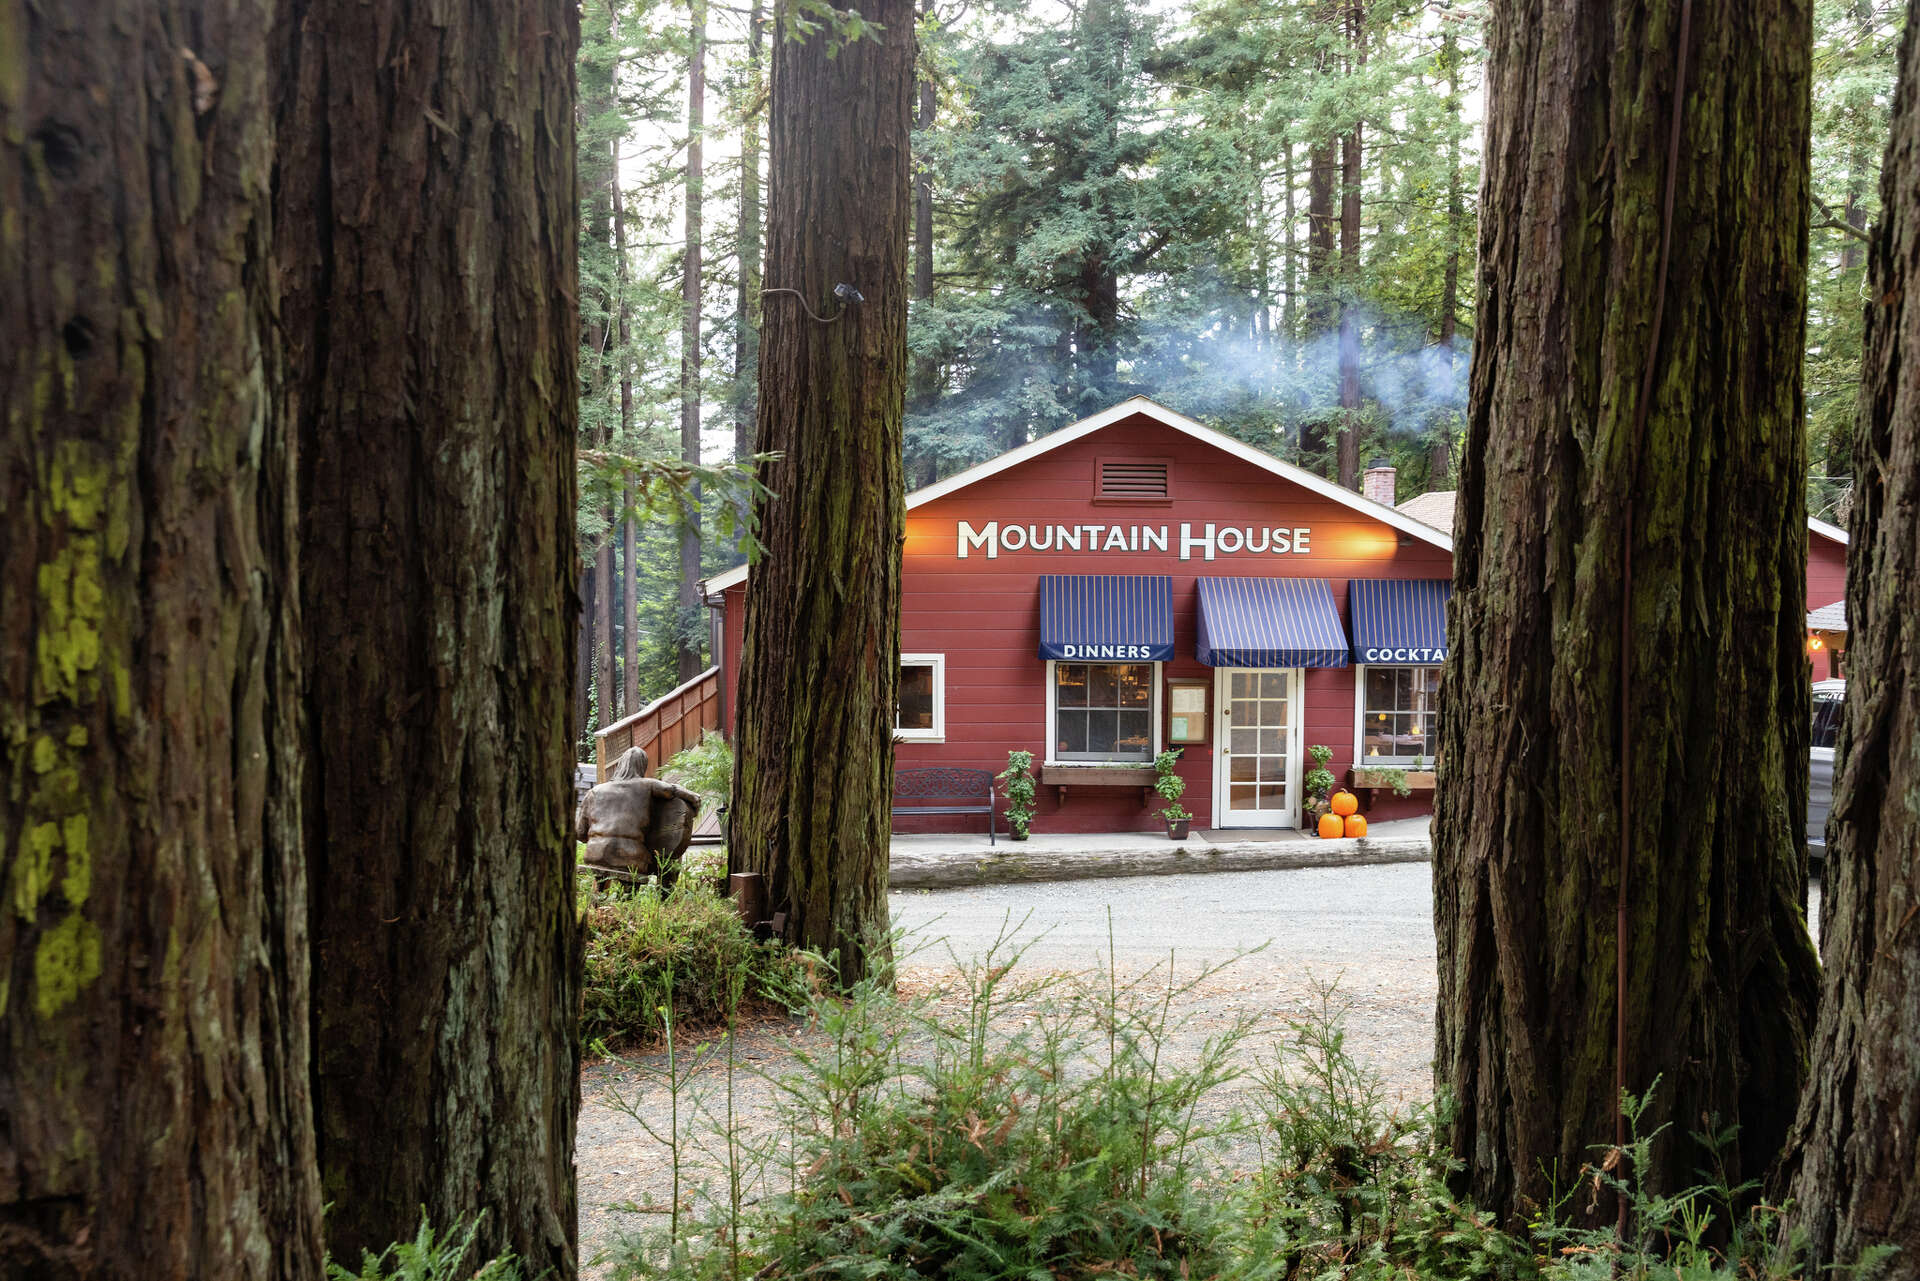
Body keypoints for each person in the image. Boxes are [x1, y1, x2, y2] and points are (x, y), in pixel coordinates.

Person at [574, 746, 701, 886]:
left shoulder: (594, 791)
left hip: (594, 856)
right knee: (669, 861)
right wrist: (693, 798)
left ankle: (600, 894)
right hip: (631, 858)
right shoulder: (648, 785)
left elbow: (580, 833)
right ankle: (655, 894)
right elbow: (671, 790)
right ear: (642, 766)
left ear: (620, 765)